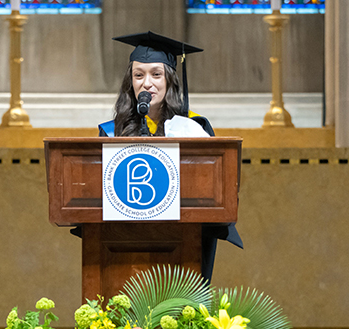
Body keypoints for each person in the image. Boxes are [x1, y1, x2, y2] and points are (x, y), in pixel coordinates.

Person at [82, 32, 242, 281]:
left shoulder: (194, 127)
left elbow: (215, 185)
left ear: (169, 80)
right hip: (126, 241)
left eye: (156, 74)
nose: (147, 83)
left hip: (185, 237)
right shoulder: (112, 132)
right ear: (130, 82)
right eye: (139, 75)